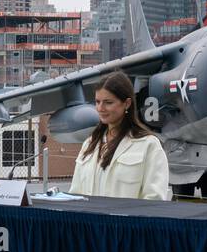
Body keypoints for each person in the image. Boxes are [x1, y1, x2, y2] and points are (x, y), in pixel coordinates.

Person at [68, 70, 170, 200]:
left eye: (108, 102)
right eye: (97, 102)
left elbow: (154, 199)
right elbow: (75, 195)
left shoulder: (148, 145)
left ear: (127, 103)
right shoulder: (89, 144)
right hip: (89, 220)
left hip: (126, 220)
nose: (100, 108)